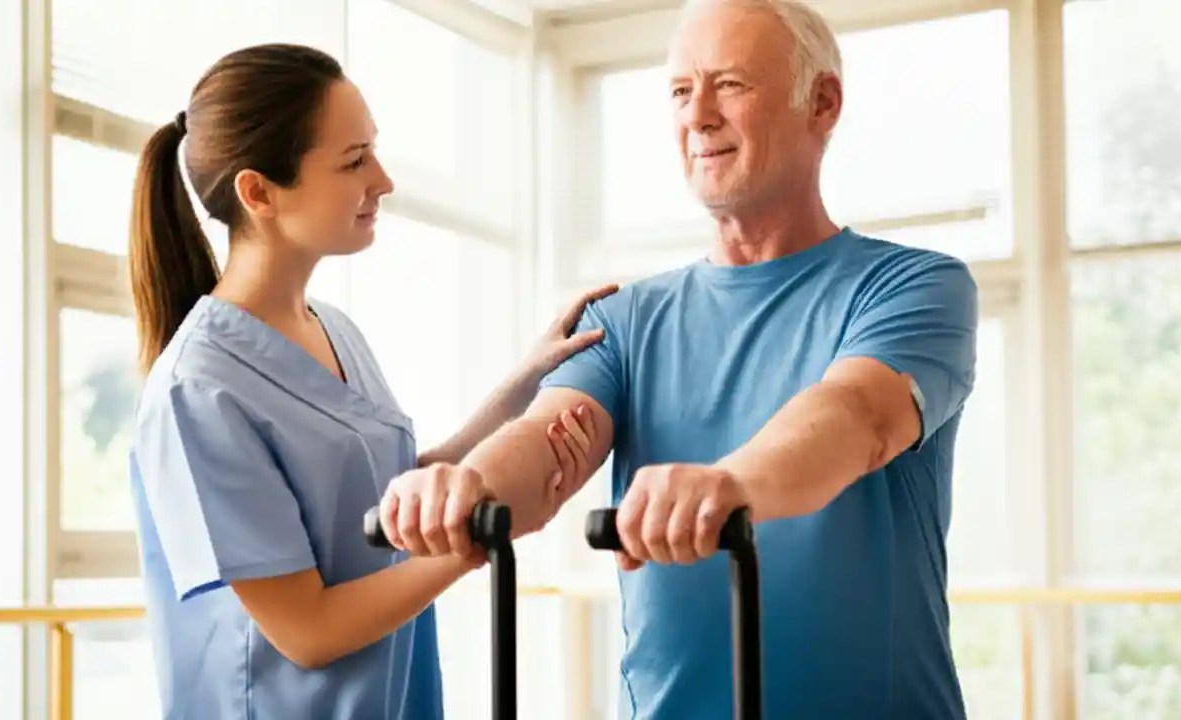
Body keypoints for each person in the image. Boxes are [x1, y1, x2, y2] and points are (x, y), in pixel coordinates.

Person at [375, 0, 979, 717]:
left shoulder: (914, 287)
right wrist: (470, 487)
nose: (699, 115)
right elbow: (545, 443)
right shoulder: (624, 320)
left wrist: (728, 486)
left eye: (730, 85)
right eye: (680, 92)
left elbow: (855, 418)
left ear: (821, 103)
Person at [126, 43, 608, 719]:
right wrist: (480, 538)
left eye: (373, 151)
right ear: (258, 191)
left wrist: (523, 383)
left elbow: (383, 498)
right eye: (354, 161)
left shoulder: (331, 328)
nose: (382, 180)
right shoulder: (197, 390)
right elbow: (307, 631)